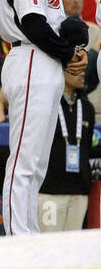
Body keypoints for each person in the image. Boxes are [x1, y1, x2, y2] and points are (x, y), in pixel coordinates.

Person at [0, 0, 86, 236]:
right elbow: (32, 23)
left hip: (42, 59)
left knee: (36, 162)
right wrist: (67, 54)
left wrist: (72, 48)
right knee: (24, 160)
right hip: (30, 57)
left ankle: (28, 234)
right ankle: (19, 239)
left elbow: (50, 22)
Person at [39, 64, 94, 232]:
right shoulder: (45, 104)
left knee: (73, 251)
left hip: (79, 191)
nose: (82, 74)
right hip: (49, 190)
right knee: (49, 248)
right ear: (59, 73)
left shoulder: (87, 108)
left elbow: (86, 149)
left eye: (83, 70)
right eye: (75, 70)